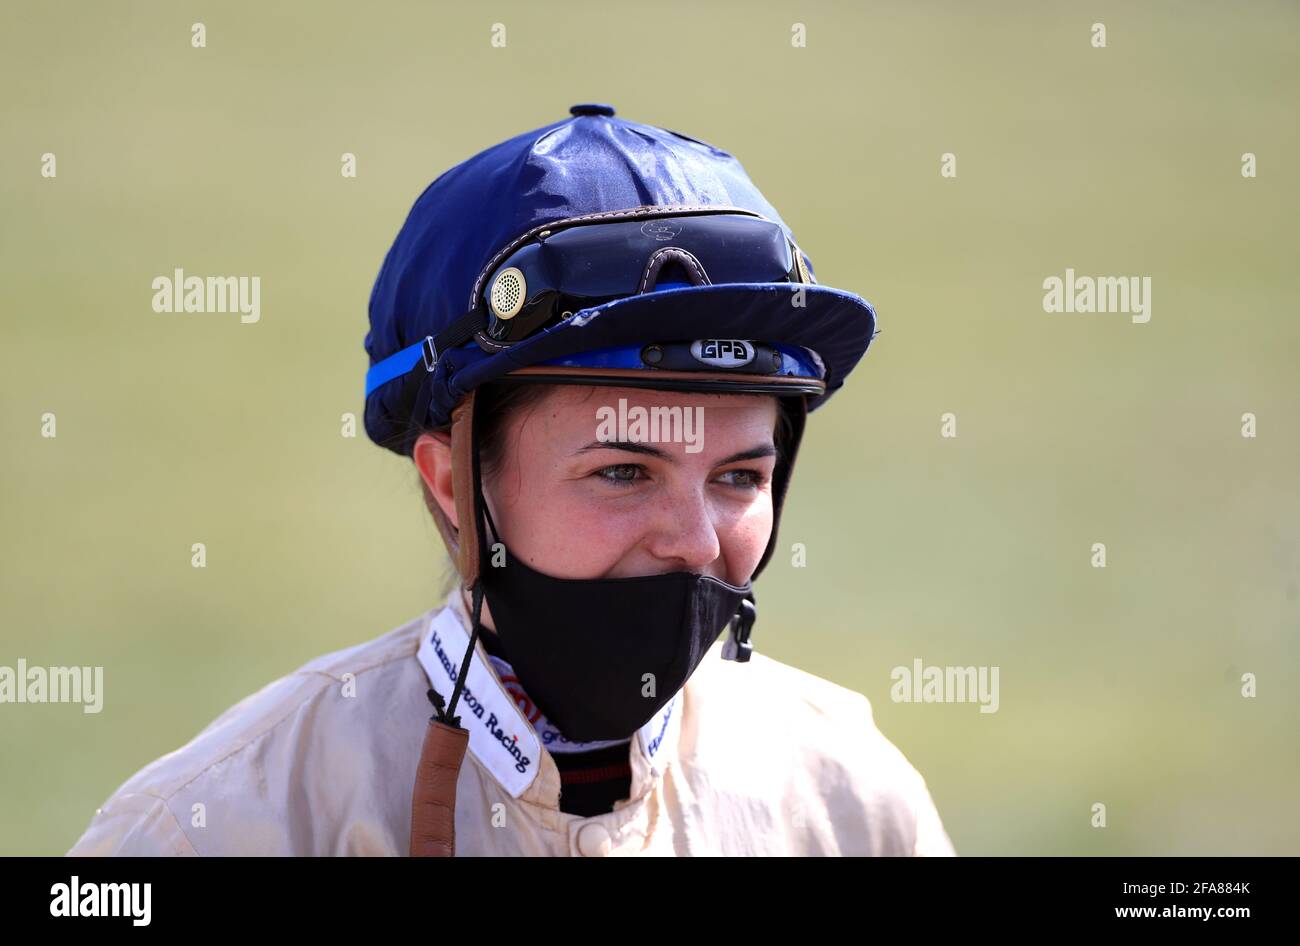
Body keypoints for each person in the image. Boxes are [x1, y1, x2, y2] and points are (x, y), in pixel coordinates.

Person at [68, 103, 956, 857]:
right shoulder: (209, 828)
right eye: (622, 470)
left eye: (737, 476)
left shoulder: (852, 803)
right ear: (455, 485)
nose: (693, 540)